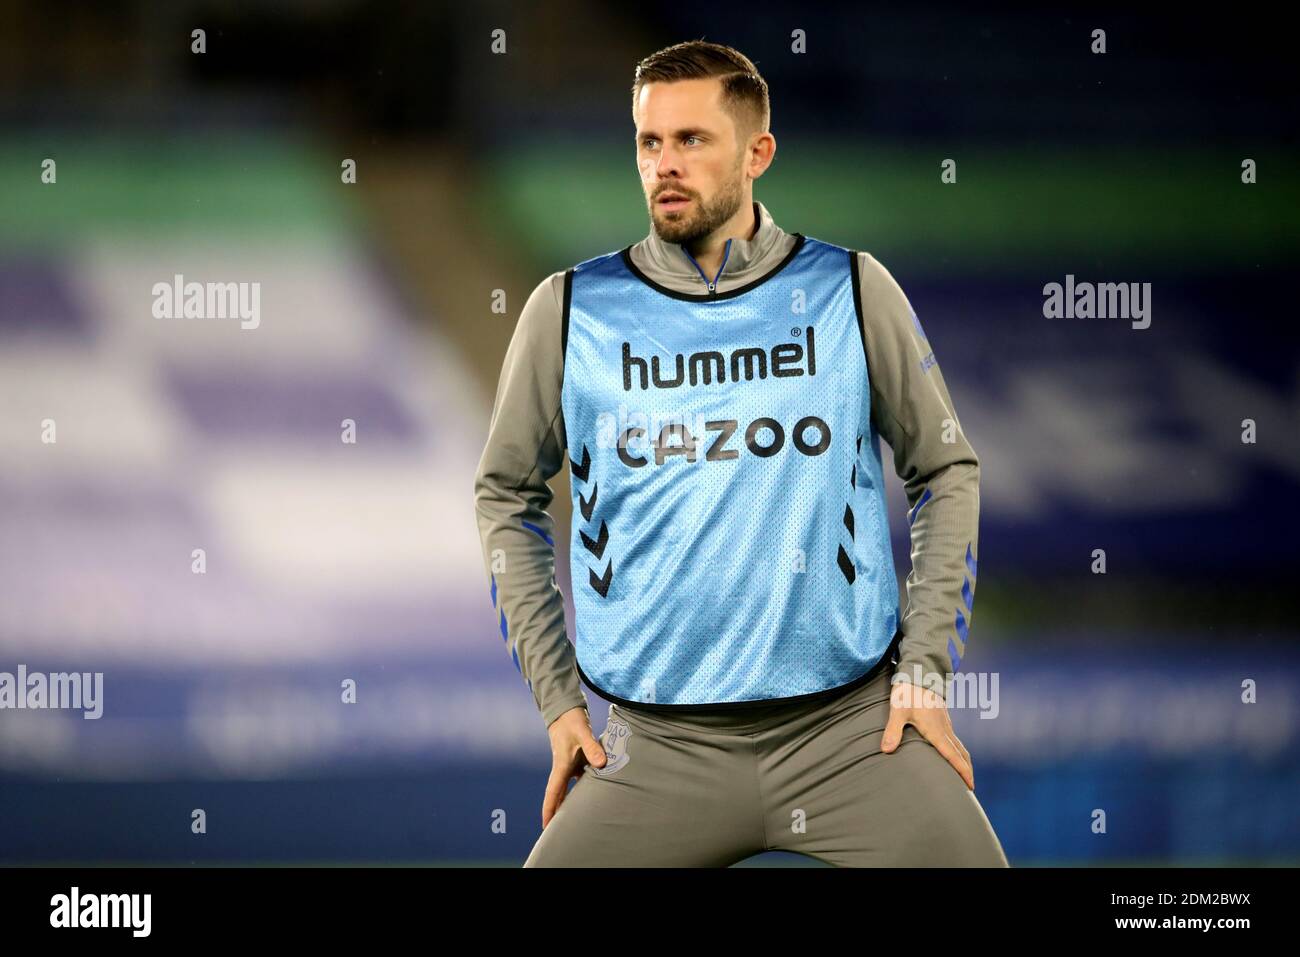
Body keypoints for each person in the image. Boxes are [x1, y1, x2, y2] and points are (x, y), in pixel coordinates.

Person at [473, 39, 1007, 867]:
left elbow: (945, 470)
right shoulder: (571, 310)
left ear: (758, 152)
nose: (665, 165)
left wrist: (925, 673)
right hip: (652, 751)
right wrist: (557, 700)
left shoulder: (851, 290)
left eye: (692, 140)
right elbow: (504, 494)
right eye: (650, 142)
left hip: (854, 737)